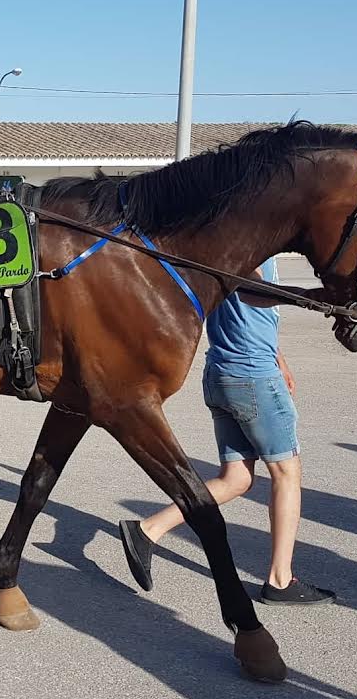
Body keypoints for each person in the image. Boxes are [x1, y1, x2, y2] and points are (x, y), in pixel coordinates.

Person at [118, 256, 336, 606]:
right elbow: (254, 290)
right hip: (253, 377)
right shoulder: (251, 248)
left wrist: (279, 357)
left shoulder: (229, 246)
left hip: (222, 372)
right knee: (287, 473)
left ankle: (148, 530)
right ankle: (280, 580)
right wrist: (312, 296)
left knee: (236, 479)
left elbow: (251, 311)